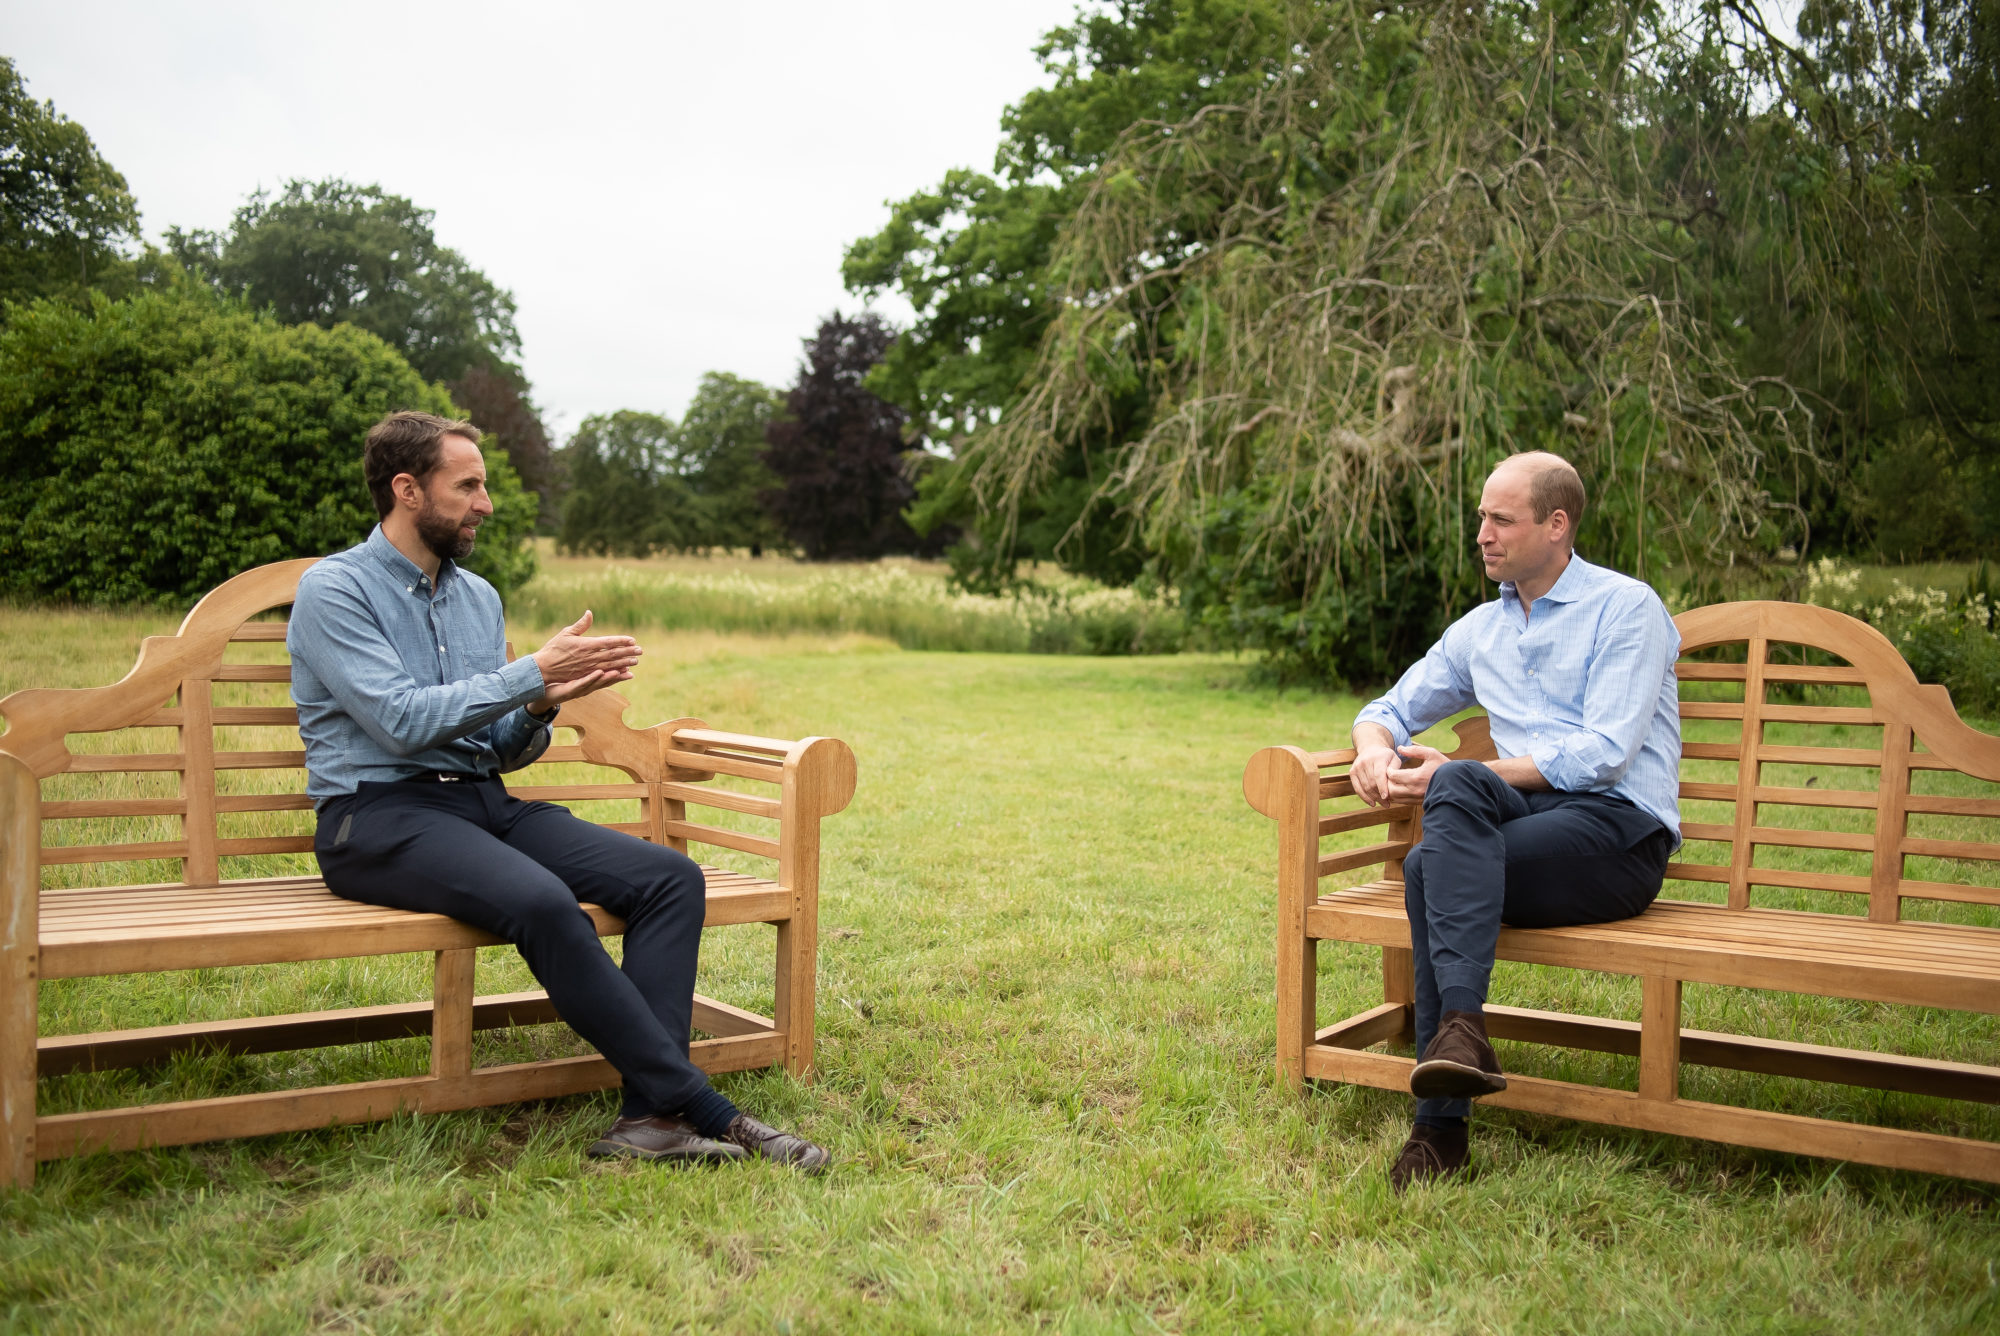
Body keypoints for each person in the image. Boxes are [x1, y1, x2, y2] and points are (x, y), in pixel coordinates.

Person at [289, 410, 828, 1172]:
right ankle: (707, 1110)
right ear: (407, 489)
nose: (486, 502)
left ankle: (647, 1121)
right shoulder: (334, 590)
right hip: (375, 819)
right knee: (541, 899)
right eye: (467, 484)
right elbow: (401, 723)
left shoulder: (477, 598)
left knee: (667, 878)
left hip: (477, 805)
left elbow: (491, 751)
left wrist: (540, 706)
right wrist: (532, 673)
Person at [1347, 451, 1681, 1190]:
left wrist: (1460, 775)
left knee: (1428, 864)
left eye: (1501, 519)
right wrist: (1374, 751)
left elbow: (1603, 754)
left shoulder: (1627, 608)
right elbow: (1388, 710)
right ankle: (1462, 1040)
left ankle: (1438, 1129)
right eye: (1481, 519)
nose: (1483, 536)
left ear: (1556, 526)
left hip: (1616, 833)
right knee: (1447, 822)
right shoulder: (1481, 630)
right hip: (1523, 822)